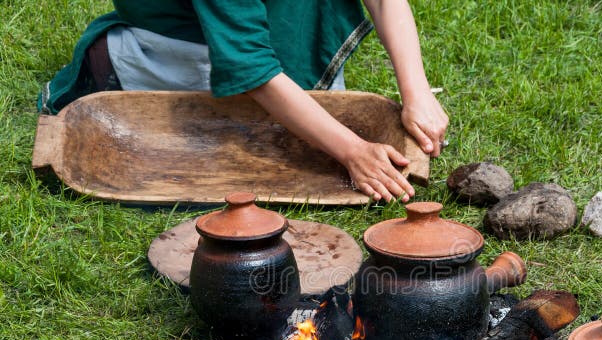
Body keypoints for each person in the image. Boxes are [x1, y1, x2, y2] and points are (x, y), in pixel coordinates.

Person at [38, 1, 449, 203]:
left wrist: (416, 92)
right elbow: (249, 67)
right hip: (180, 39)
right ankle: (116, 65)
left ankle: (297, 79)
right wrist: (353, 151)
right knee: (244, 108)